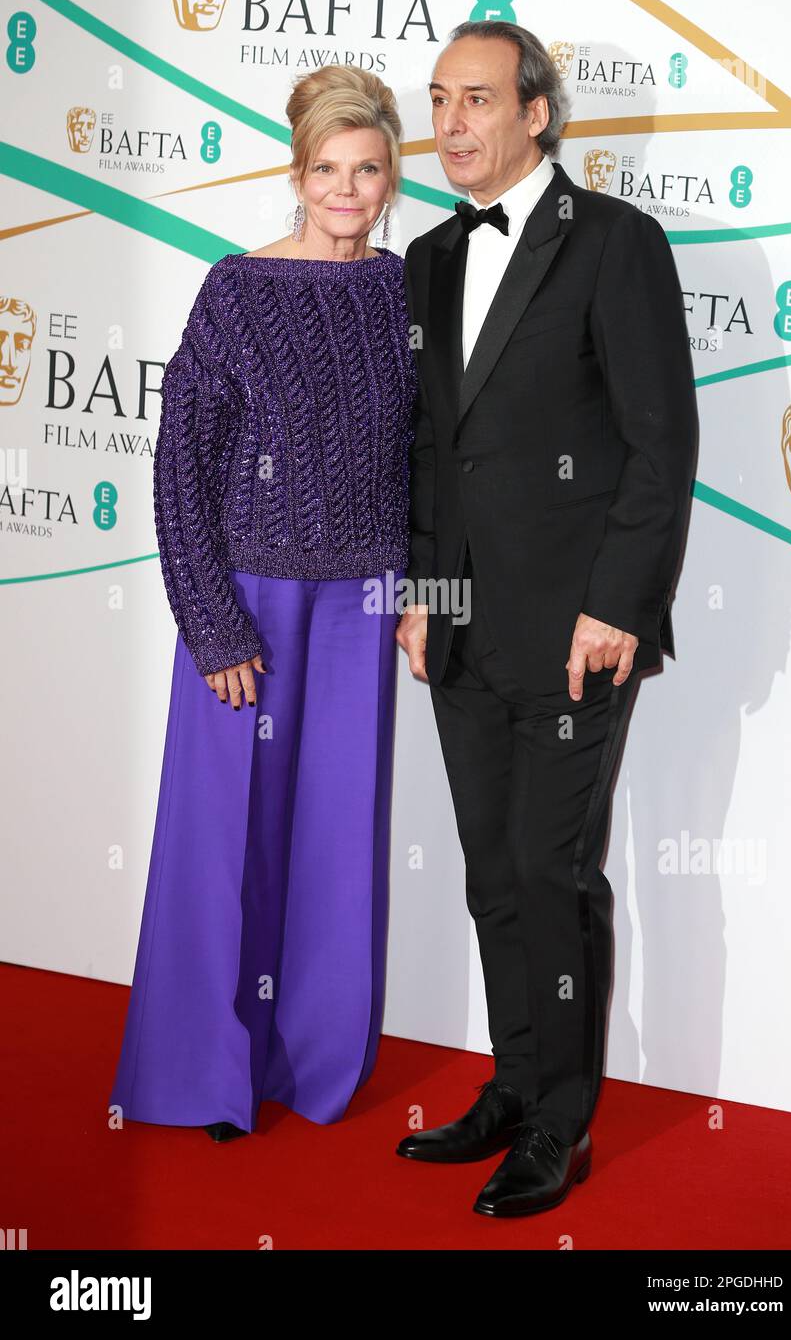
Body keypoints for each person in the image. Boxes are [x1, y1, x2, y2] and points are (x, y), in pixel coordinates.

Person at [395, 21, 699, 1215]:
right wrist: (424, 596)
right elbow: (428, 453)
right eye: (437, 99)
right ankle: (512, 1087)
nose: (451, 122)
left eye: (474, 99)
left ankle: (561, 1127)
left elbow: (657, 441)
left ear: (535, 112)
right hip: (465, 627)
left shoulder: (614, 243)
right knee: (488, 872)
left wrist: (617, 606)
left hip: (577, 629)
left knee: (549, 866)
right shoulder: (425, 255)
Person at [109, 65, 418, 1142]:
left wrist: (420, 595)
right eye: (327, 168)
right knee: (219, 840)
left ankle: (314, 1065)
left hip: (363, 603)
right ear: (298, 174)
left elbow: (428, 459)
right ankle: (202, 1071)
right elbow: (177, 467)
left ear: (389, 177)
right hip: (247, 597)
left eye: (366, 168)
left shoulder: (404, 291)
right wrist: (211, 620)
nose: (347, 187)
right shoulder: (236, 290)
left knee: (337, 842)